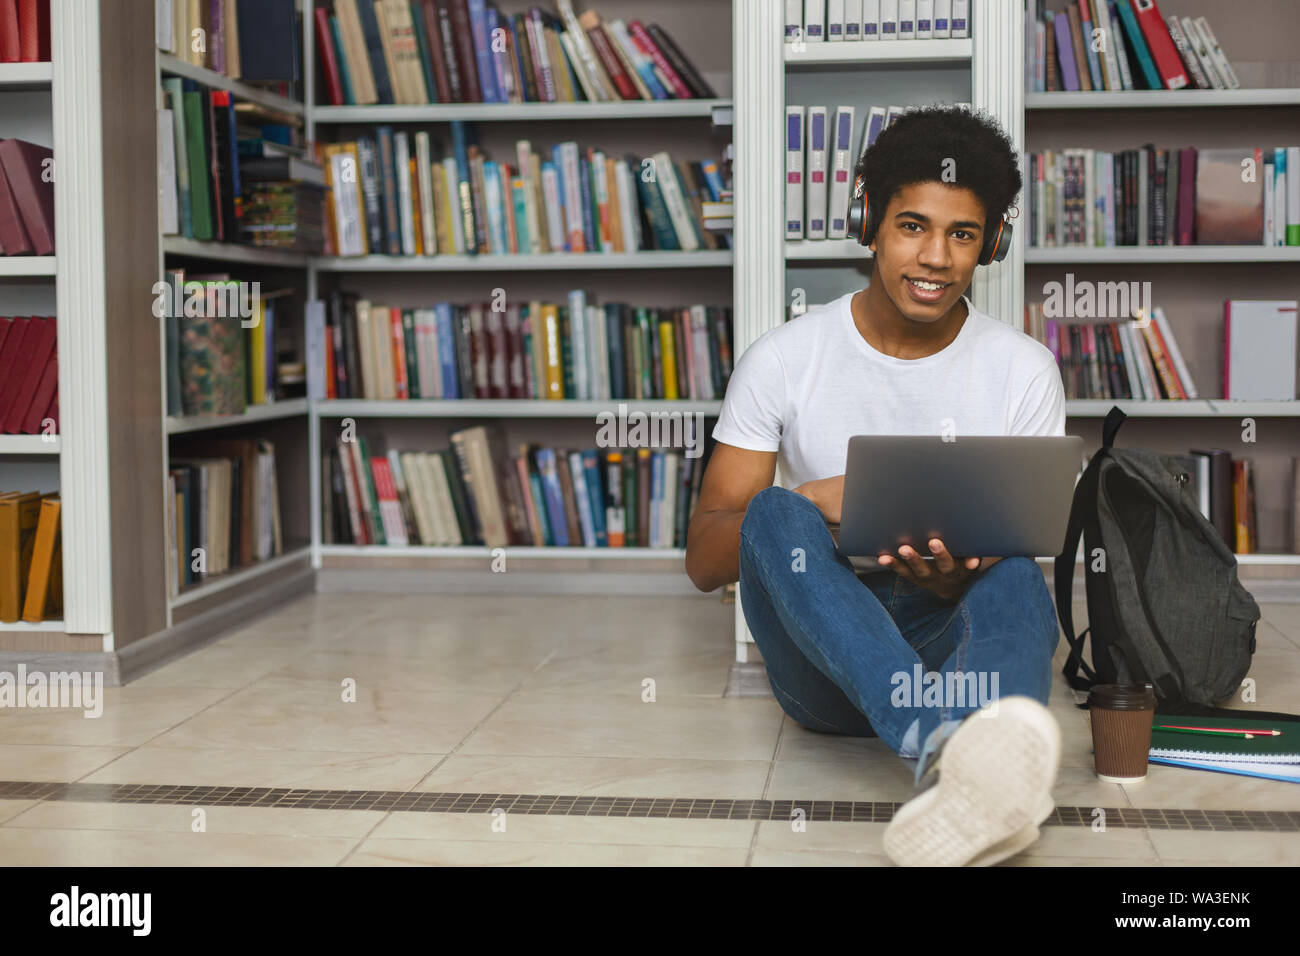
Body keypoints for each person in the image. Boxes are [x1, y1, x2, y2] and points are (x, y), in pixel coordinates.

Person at [685, 105, 1066, 867]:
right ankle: (941, 746)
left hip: (946, 638)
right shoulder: (785, 358)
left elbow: (1022, 540)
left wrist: (964, 570)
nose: (935, 258)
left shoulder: (1023, 369)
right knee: (771, 511)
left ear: (990, 244)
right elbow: (705, 559)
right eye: (912, 226)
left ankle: (971, 769)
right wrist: (819, 501)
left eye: (962, 234)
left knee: (1020, 570)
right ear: (869, 222)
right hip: (824, 664)